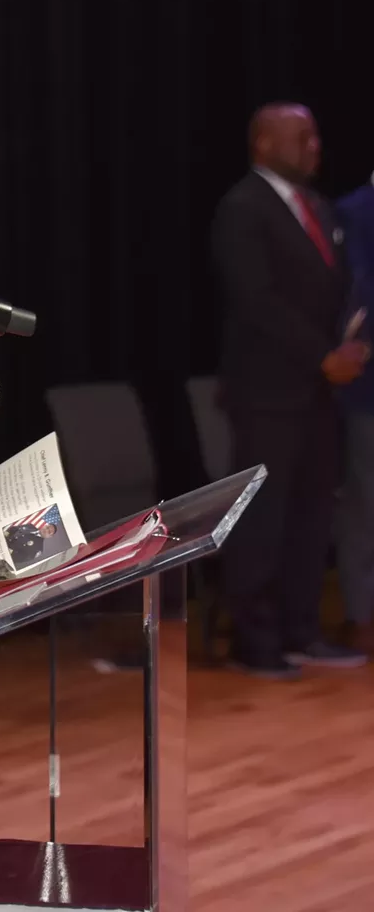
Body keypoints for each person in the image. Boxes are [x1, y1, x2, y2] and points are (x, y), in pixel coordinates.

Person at [210, 103, 370, 678]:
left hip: (319, 394)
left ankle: (302, 630)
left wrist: (349, 343)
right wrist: (322, 355)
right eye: (302, 137)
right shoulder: (243, 207)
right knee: (264, 518)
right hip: (267, 394)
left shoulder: (318, 207)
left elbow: (335, 290)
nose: (314, 146)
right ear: (263, 143)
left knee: (311, 515)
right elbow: (257, 301)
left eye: (315, 136)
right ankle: (253, 640)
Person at [336, 171, 374, 650]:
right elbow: (357, 293)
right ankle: (360, 614)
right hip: (367, 383)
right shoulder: (354, 212)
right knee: (366, 503)